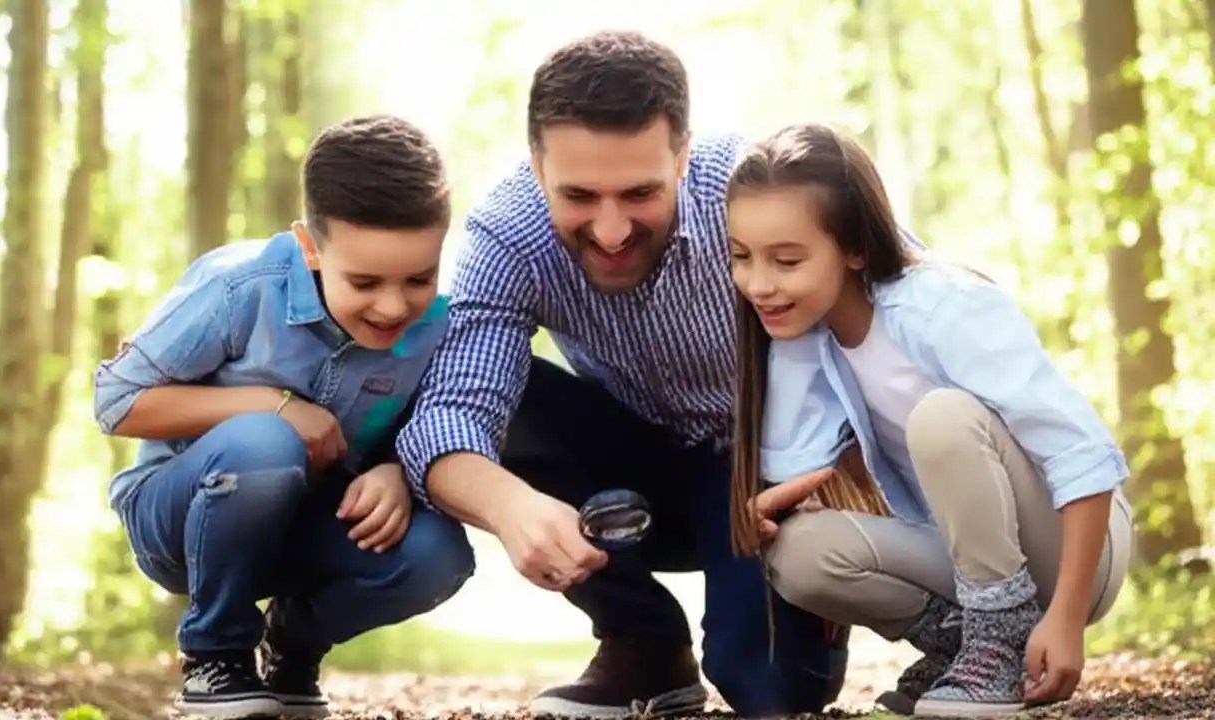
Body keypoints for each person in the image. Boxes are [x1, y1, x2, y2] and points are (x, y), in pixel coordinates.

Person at [396, 30, 864, 718]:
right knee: (451, 365)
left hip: (767, 472)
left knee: (768, 687)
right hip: (628, 473)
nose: (611, 229)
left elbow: (904, 304)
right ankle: (643, 643)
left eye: (639, 192)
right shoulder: (507, 234)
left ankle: (798, 620)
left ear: (682, 155)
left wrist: (848, 473)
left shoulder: (758, 184)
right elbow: (450, 411)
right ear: (536, 163)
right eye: (579, 195)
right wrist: (508, 505)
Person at [725, 122, 1134, 718]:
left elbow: (1084, 456)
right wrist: (769, 513)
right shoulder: (803, 341)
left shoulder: (941, 305)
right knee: (798, 553)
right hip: (970, 563)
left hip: (1075, 551)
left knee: (942, 417)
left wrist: (1067, 618)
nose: (758, 284)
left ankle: (999, 639)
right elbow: (799, 470)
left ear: (856, 248)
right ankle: (963, 644)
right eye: (742, 258)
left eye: (786, 260)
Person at [93, 115, 475, 719]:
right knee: (264, 442)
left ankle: (292, 647)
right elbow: (116, 401)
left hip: (312, 518)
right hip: (181, 518)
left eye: (419, 278)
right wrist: (276, 407)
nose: (393, 305)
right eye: (366, 280)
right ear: (310, 246)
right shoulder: (240, 288)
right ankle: (215, 658)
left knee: (438, 555)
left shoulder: (441, 327)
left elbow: (434, 422)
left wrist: (400, 471)